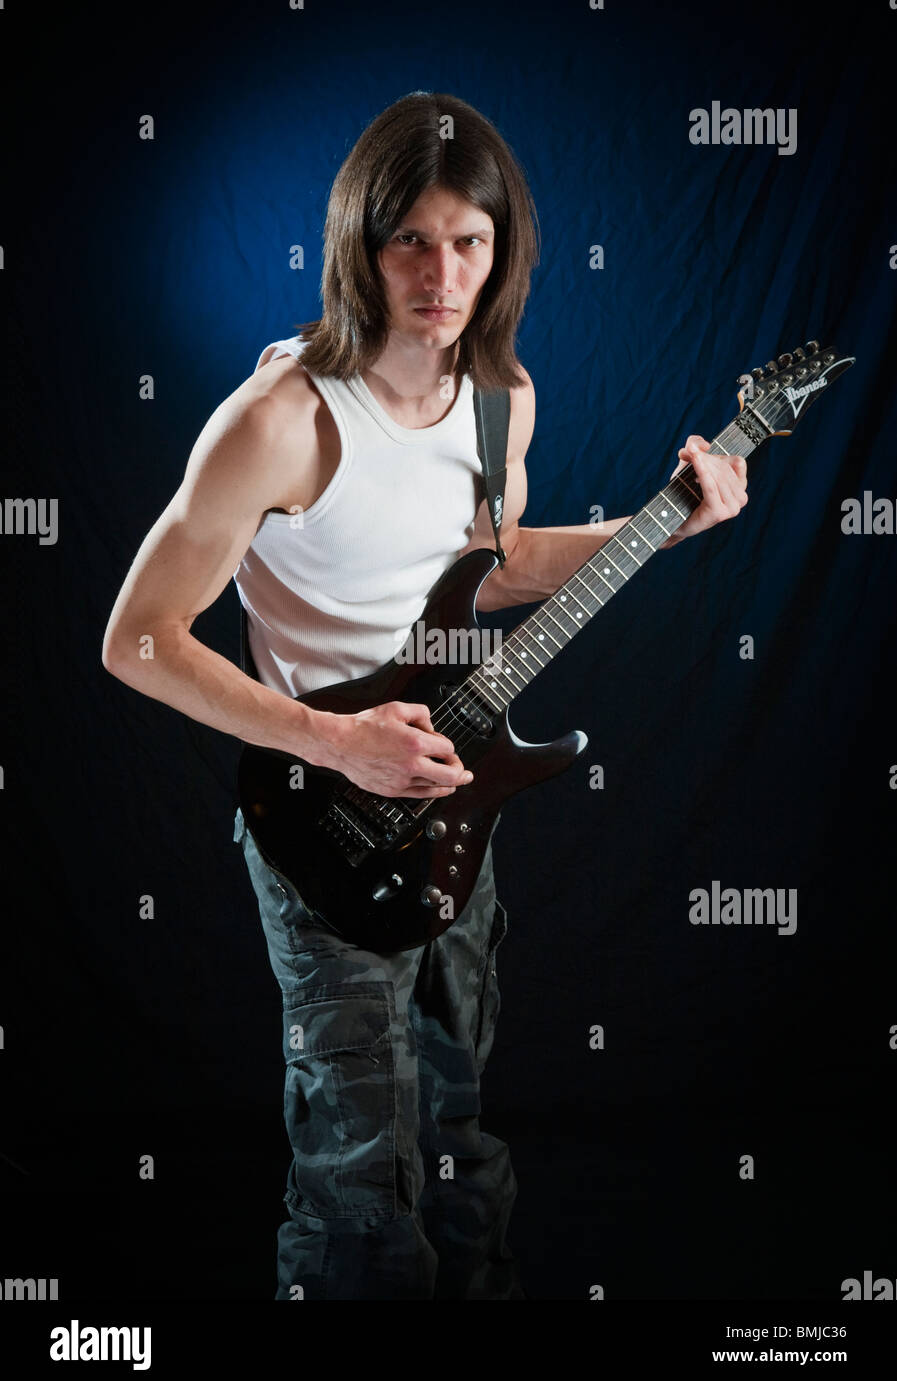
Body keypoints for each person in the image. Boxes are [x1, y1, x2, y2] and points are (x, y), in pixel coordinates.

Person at [102, 90, 748, 1300]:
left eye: (471, 242)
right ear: (362, 241)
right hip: (320, 808)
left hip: (452, 792)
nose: (441, 274)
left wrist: (658, 527)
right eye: (411, 238)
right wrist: (339, 742)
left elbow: (483, 568)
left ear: (503, 253)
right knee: (360, 1178)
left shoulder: (502, 398)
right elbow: (135, 639)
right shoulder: (282, 420)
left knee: (461, 1132)